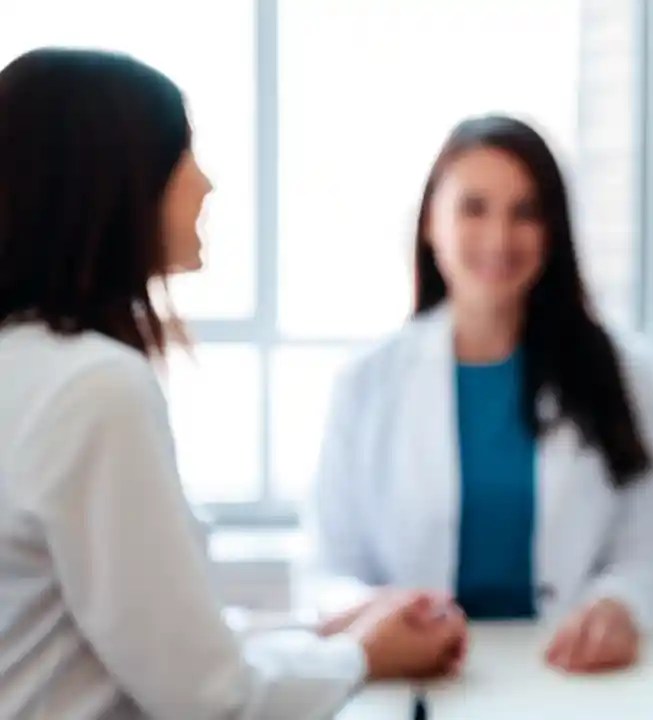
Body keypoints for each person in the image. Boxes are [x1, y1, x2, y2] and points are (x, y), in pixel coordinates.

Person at [0, 48, 467, 719]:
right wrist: (364, 654)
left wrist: (320, 631)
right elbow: (212, 698)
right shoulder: (95, 390)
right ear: (115, 182)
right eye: (181, 154)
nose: (206, 183)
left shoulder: (27, 366)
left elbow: (143, 639)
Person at [311, 115, 653, 674]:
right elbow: (325, 568)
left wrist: (618, 605)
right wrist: (373, 611)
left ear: (553, 231)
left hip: (567, 676)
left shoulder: (622, 371)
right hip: (419, 679)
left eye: (526, 213)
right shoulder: (365, 383)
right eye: (474, 208)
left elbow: (645, 548)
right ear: (432, 222)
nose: (500, 238)